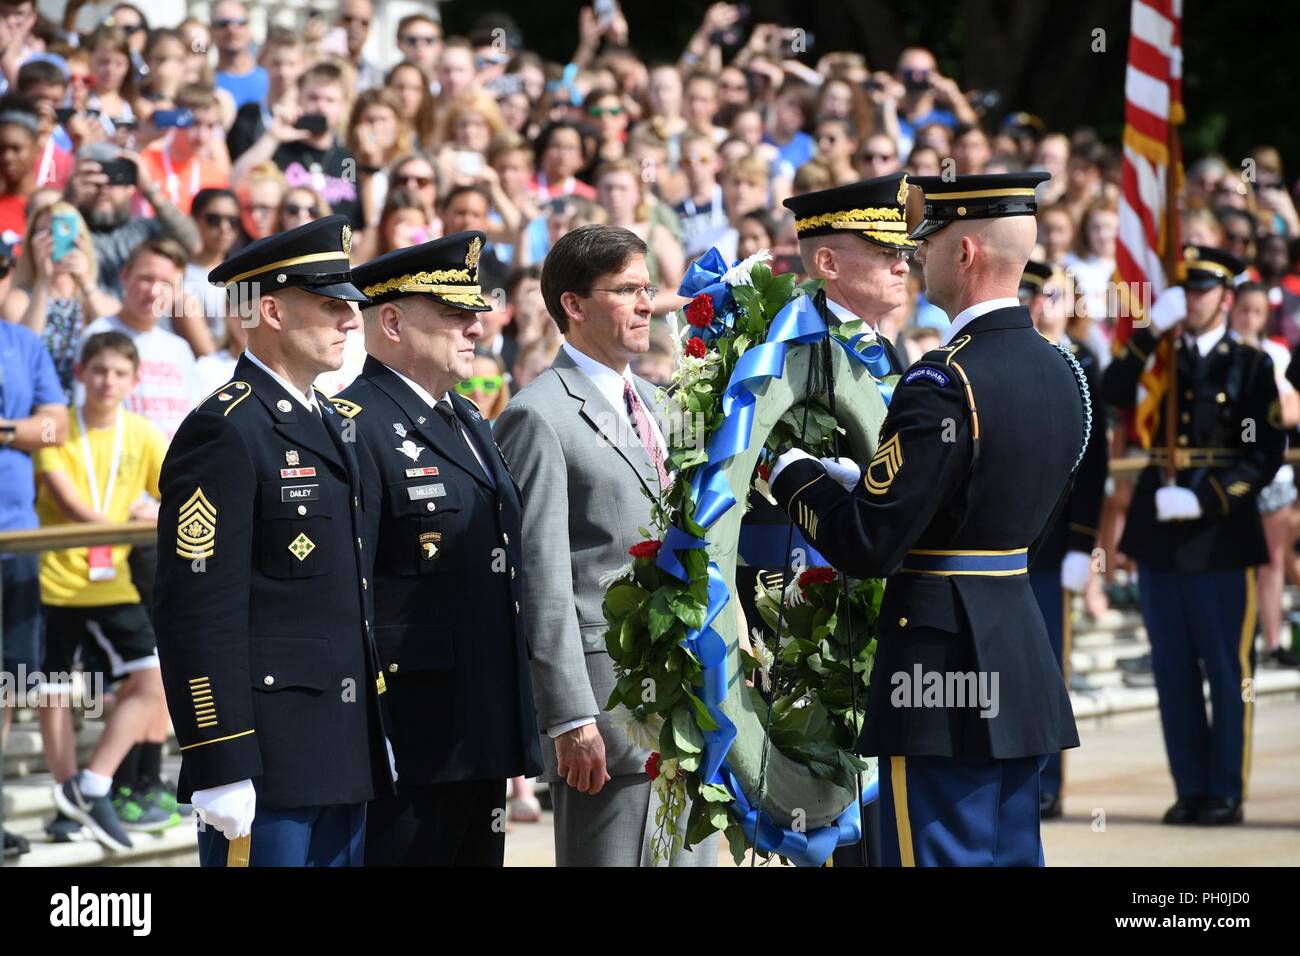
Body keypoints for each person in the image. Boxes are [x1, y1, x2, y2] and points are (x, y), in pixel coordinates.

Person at [769, 171, 1086, 867]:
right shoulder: (1059, 370)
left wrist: (790, 475)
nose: (914, 255)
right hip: (1017, 649)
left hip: (941, 665)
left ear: (965, 252)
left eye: (929, 241)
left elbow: (868, 543)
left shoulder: (944, 378)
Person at [152, 215, 393, 867]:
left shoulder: (338, 425)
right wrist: (219, 756)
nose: (350, 319)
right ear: (270, 312)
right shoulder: (225, 431)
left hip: (343, 751)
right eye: (328, 303)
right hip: (266, 761)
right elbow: (195, 611)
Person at [495, 224, 720, 867]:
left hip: (690, 704)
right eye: (627, 290)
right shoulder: (538, 414)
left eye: (647, 288)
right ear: (574, 304)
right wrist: (569, 717)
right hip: (609, 714)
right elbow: (541, 577)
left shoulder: (658, 401)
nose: (647, 304)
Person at [332, 232, 541, 866]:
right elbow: (350, 594)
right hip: (412, 733)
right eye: (453, 314)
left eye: (473, 312)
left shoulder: (469, 417)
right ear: (390, 321)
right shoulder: (352, 424)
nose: (474, 326)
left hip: (479, 724)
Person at [1103, 247, 1284, 827]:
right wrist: (1149, 327)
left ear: (1226, 298)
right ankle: (1190, 787)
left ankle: (1224, 789)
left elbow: (1264, 455)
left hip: (1222, 539)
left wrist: (1207, 498)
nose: (1194, 300)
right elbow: (1111, 390)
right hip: (1160, 538)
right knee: (1173, 673)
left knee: (1228, 675)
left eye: (1204, 290)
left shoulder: (1250, 366)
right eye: (1187, 290)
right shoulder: (1160, 360)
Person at [37, 332, 171, 851]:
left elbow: (181, 490)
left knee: (152, 682)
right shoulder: (57, 430)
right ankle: (65, 795)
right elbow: (70, 505)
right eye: (99, 371)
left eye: (119, 373)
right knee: (50, 693)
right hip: (52, 583)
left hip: (109, 581)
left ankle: (92, 785)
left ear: (134, 380)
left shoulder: (141, 432)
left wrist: (160, 509)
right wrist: (128, 519)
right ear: (80, 374)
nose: (107, 381)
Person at [1020, 261, 1108, 818]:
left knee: (1048, 668)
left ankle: (1047, 782)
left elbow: (1093, 468)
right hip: (1007, 545)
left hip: (1053, 548)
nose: (1040, 304)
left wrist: (1083, 544)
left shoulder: (1080, 370)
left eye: (1052, 295)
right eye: (1032, 294)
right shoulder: (1015, 362)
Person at [0, 306, 68, 861]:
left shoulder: (23, 342)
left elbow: (55, 428)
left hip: (14, 540)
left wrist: (5, 429)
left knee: (5, 686)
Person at [1231, 282, 1300, 668]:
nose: (1249, 319)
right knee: (1232, 561)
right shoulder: (1224, 353)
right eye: (1243, 310)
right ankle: (1238, 638)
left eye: (1257, 312)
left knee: (1272, 560)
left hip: (1270, 474)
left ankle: (1272, 641)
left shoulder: (1274, 353)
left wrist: (1257, 414)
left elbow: (1291, 410)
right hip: (1231, 475)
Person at [81, 238, 202, 441]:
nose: (154, 292)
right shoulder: (97, 336)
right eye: (146, 279)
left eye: (166, 284)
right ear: (125, 277)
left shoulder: (180, 350)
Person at [5, 199, 119, 401]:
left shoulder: (98, 298)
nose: (54, 241)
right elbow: (22, 350)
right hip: (38, 406)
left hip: (87, 409)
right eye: (44, 233)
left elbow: (118, 343)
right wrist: (43, 279)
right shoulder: (19, 299)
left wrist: (86, 282)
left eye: (62, 230)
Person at [232, 61, 364, 232]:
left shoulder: (348, 159)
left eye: (330, 100)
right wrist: (272, 137)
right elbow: (235, 183)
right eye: (313, 97)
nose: (320, 106)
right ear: (299, 98)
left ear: (343, 106)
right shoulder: (278, 149)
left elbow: (359, 223)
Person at [64, 143, 201, 302]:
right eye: (93, 178)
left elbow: (193, 244)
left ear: (131, 186)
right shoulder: (69, 231)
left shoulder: (147, 230)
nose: (104, 188)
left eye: (115, 177)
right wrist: (70, 200)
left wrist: (149, 189)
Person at [210, 1, 267, 111]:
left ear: (250, 28)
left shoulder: (272, 77)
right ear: (211, 31)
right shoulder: (205, 82)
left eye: (240, 22)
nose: (232, 29)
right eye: (223, 24)